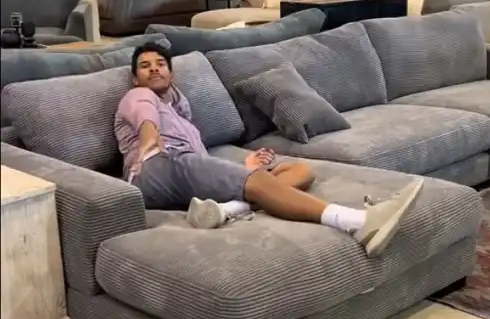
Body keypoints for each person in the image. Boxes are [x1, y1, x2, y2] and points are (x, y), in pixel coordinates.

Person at [114, 42, 423, 258]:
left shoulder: (183, 116)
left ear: (171, 74)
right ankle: (357, 222)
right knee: (260, 182)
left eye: (160, 64)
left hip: (182, 171)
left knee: (300, 171)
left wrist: (244, 169)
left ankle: (227, 210)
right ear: (135, 78)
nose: (154, 70)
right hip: (154, 168)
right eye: (145, 66)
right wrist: (149, 138)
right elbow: (145, 117)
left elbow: (198, 165)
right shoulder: (137, 96)